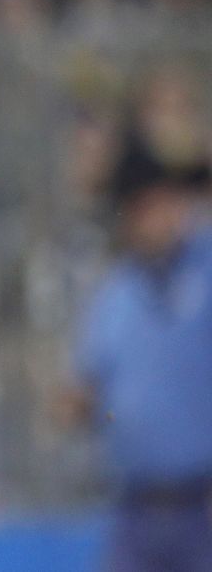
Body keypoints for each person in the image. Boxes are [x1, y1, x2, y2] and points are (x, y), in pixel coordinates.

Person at [69, 141, 212, 572]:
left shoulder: (205, 275)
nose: (151, 220)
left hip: (201, 505)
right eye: (139, 211)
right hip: (134, 509)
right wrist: (72, 404)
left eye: (158, 205)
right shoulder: (115, 294)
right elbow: (88, 386)